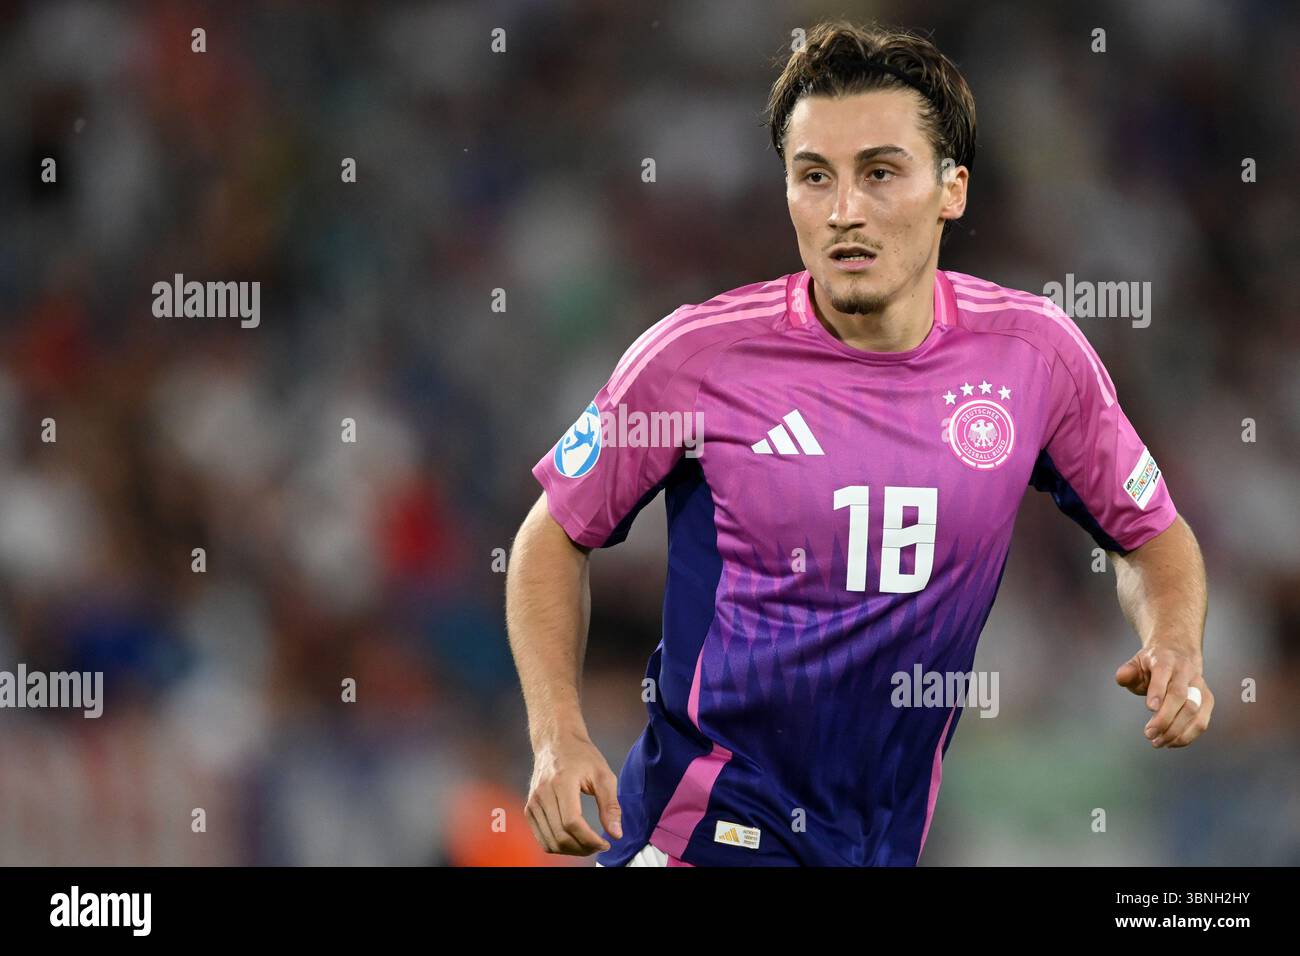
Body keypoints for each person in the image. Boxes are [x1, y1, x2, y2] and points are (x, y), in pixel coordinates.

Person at [505, 19, 1210, 867]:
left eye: (880, 173)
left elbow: (1149, 533)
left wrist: (1174, 638)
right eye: (814, 177)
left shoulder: (1035, 357)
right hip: (709, 828)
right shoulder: (696, 357)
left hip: (882, 843)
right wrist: (557, 734)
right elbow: (554, 531)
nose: (845, 211)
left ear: (952, 189)